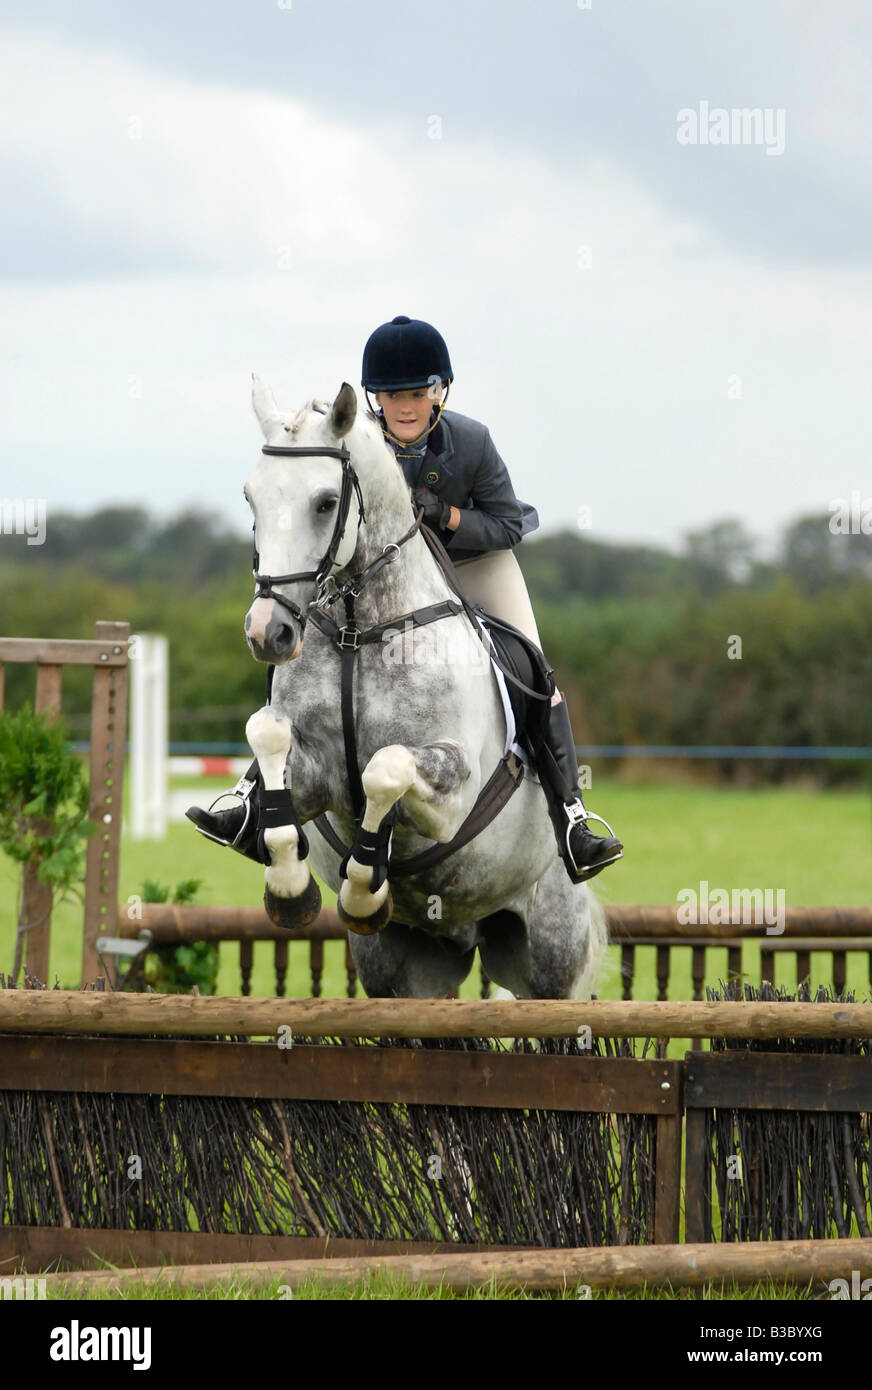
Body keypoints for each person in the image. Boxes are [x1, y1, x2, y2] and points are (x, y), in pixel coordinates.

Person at [187, 316, 622, 884]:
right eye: (393, 396)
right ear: (374, 399)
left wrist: (447, 516)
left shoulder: (470, 441)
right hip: (380, 579)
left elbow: (508, 525)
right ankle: (252, 793)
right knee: (301, 649)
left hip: (472, 565)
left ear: (439, 391)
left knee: (535, 667)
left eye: (417, 394)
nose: (406, 407)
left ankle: (571, 818)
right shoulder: (355, 442)